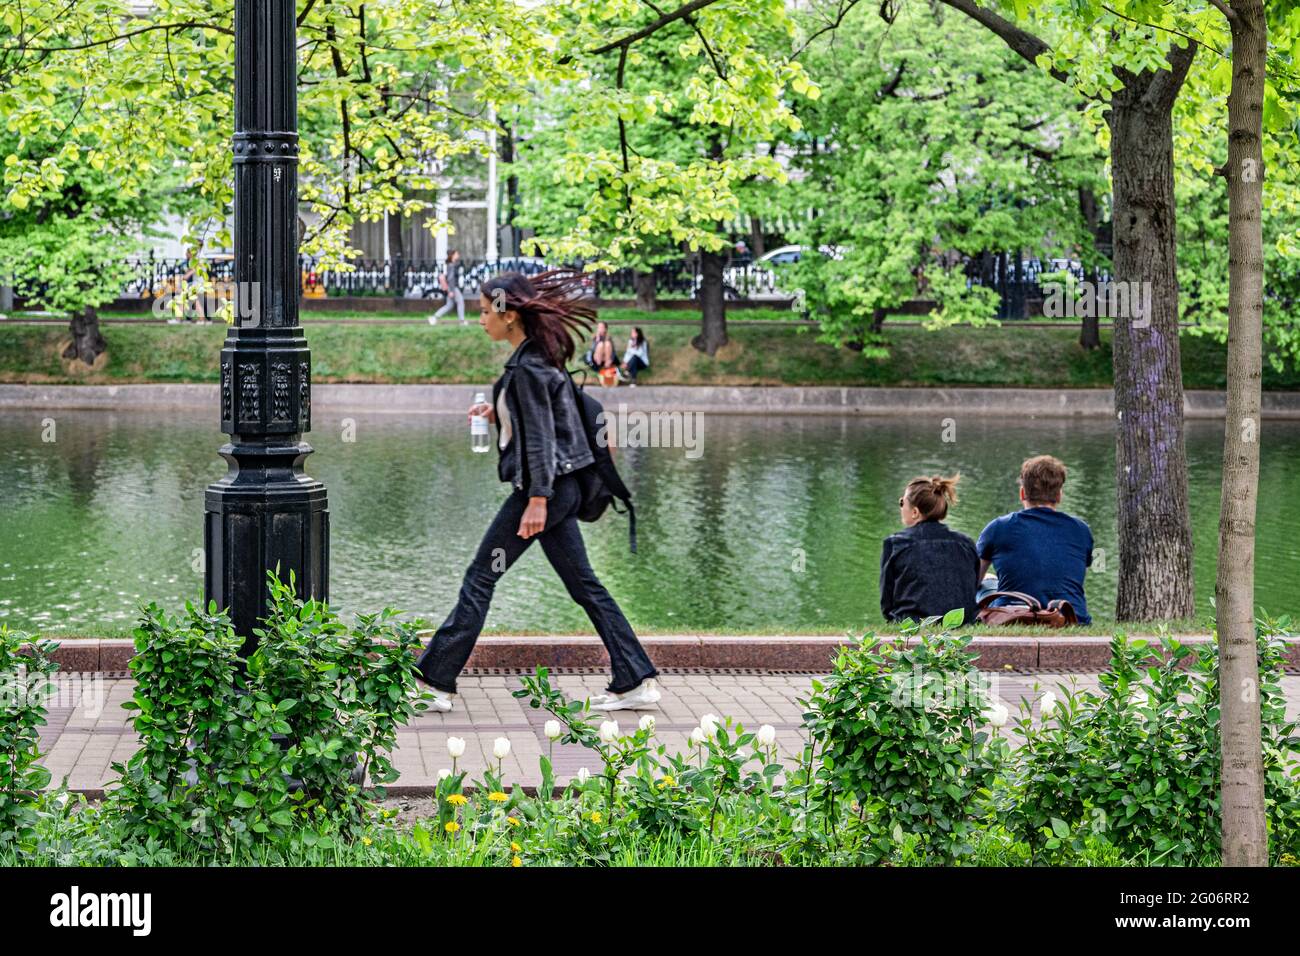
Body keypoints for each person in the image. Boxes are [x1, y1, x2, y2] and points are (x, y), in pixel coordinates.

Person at [413, 271, 661, 712]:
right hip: (560, 490)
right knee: (585, 585)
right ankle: (634, 678)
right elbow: (546, 420)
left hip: (545, 493)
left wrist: (537, 500)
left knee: (481, 576)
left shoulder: (528, 367)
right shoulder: (540, 359)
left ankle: (434, 682)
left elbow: (543, 438)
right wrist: (498, 414)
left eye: (486, 311)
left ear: (509, 316)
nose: (481, 319)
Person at [975, 454, 1093, 625]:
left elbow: (973, 580)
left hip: (1014, 615)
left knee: (988, 582)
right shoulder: (1081, 530)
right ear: (1059, 495)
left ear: (1022, 493)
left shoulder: (998, 527)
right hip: (1071, 616)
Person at [879, 475, 980, 625]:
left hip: (911, 626)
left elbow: (887, 605)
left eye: (902, 503)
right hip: (960, 624)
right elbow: (972, 588)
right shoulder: (966, 543)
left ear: (915, 512)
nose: (901, 507)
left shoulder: (895, 544)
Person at [429, 250, 466, 325]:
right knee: (460, 302)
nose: (458, 255)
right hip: (453, 288)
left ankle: (434, 317)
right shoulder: (451, 265)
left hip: (451, 288)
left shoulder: (451, 264)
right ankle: (461, 321)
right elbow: (450, 279)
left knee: (449, 305)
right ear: (452, 255)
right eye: (456, 254)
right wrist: (451, 291)